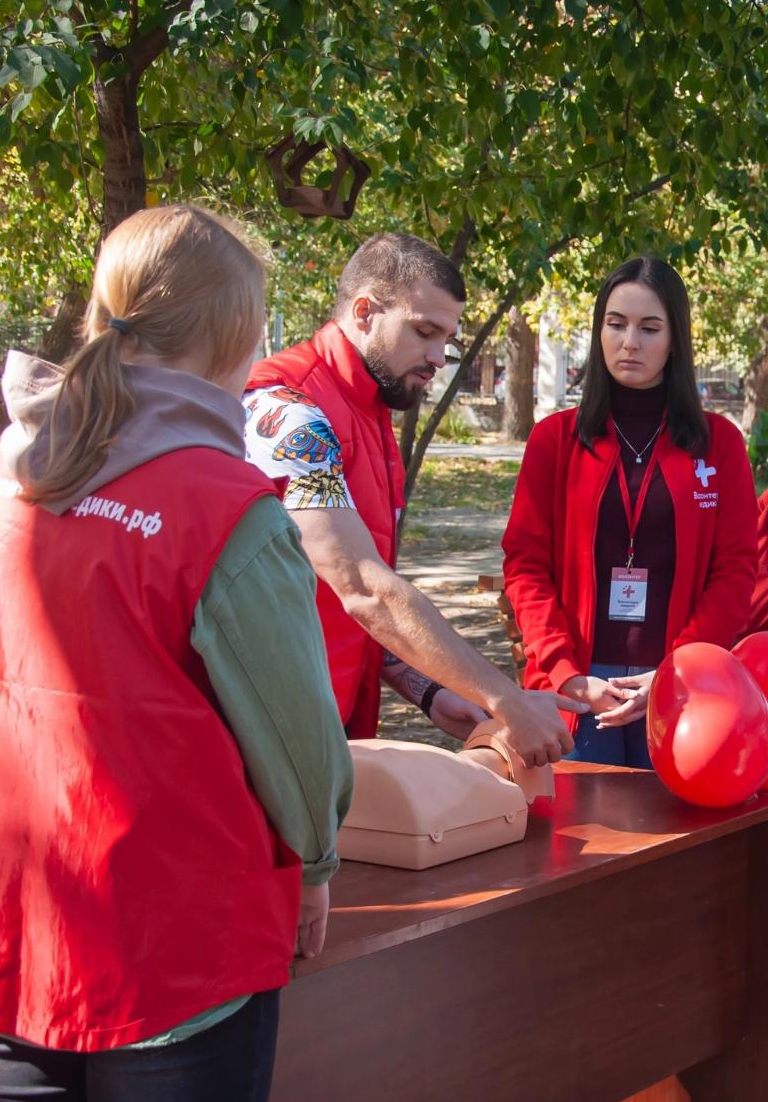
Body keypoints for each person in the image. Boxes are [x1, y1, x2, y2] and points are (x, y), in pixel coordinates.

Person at [0, 207, 352, 1102]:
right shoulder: (225, 505)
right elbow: (295, 734)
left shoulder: (1, 468)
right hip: (168, 945)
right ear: (234, 339)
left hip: (5, 918)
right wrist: (317, 858)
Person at [245, 233, 576, 766]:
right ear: (364, 312)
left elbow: (340, 604)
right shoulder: (289, 408)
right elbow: (363, 589)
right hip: (267, 742)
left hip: (327, 737)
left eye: (447, 338)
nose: (438, 357)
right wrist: (503, 697)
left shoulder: (371, 411)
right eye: (424, 332)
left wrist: (429, 691)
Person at [502, 256, 756, 765]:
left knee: (670, 840)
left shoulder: (718, 442)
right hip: (576, 685)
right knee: (580, 840)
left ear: (675, 340)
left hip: (680, 685)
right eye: (615, 324)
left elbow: (735, 571)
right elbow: (525, 566)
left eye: (649, 327)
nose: (630, 342)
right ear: (598, 333)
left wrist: (677, 671)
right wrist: (565, 672)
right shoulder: (555, 440)